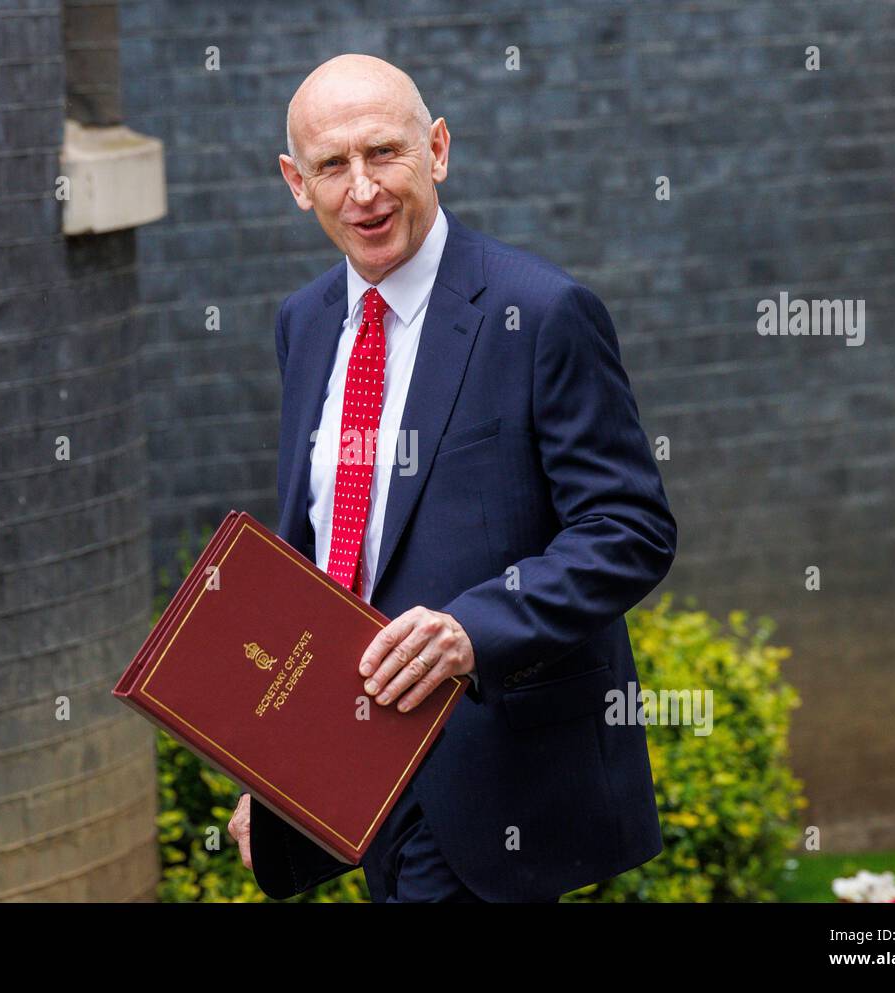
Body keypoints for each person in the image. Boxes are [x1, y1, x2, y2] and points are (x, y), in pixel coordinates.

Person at [226, 53, 677, 903]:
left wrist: (473, 628)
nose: (363, 189)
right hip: (356, 774)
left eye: (384, 153)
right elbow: (319, 554)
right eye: (332, 165)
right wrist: (274, 762)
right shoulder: (305, 324)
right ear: (296, 182)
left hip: (492, 761)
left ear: (436, 148)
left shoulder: (541, 312)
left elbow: (630, 529)